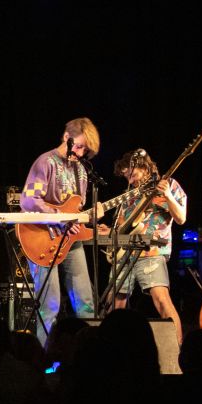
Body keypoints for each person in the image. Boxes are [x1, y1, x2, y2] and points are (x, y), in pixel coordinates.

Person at [19, 117, 102, 346]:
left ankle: (87, 357)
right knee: (50, 303)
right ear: (66, 137)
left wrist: (87, 221)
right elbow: (29, 199)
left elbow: (76, 208)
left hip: (70, 241)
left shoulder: (82, 172)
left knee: (85, 301)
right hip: (43, 239)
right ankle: (42, 361)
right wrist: (58, 217)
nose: (81, 153)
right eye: (79, 146)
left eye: (85, 149)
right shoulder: (45, 163)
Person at [97, 148, 186, 342]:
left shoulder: (168, 184)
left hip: (151, 251)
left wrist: (169, 196)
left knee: (162, 300)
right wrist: (109, 233)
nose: (129, 178)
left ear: (144, 166)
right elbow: (122, 227)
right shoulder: (128, 195)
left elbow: (181, 218)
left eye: (131, 172)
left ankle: (178, 352)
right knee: (113, 302)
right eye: (126, 175)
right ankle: (108, 349)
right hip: (124, 252)